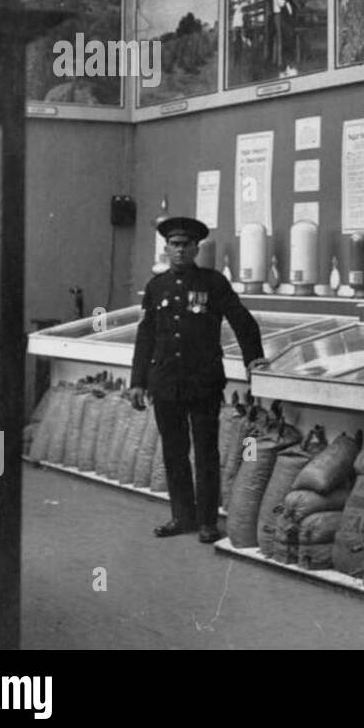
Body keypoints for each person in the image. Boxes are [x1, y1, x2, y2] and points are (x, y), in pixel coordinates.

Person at [129, 216, 266, 543]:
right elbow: (145, 335)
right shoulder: (155, 287)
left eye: (185, 245)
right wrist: (138, 381)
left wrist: (253, 359)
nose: (179, 251)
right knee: (174, 452)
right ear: (166, 248)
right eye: (174, 245)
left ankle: (207, 522)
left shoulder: (213, 283)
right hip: (164, 383)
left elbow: (242, 320)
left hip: (203, 382)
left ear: (195, 248)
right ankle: (182, 516)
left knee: (205, 452)